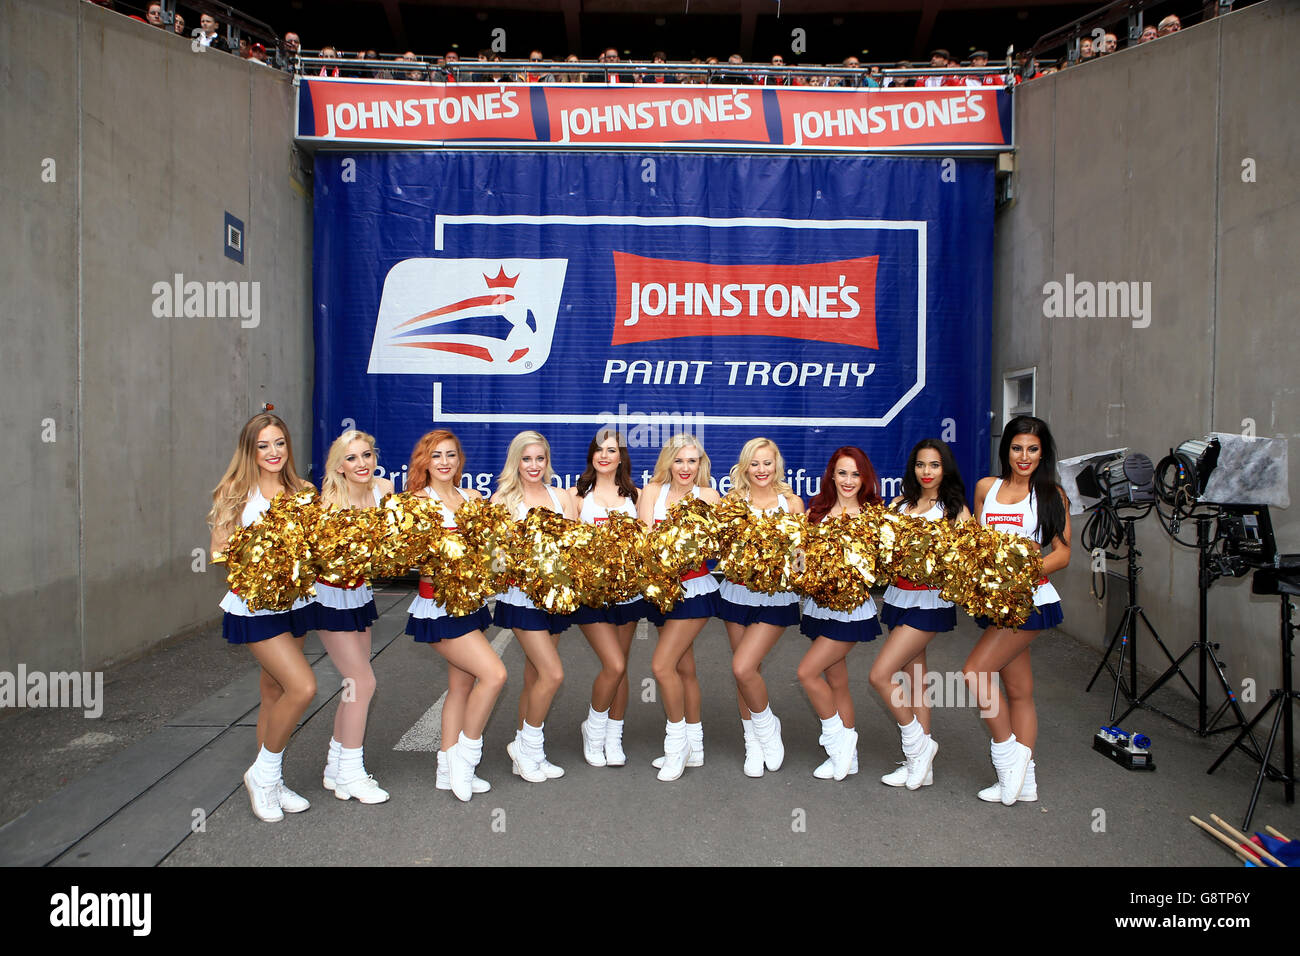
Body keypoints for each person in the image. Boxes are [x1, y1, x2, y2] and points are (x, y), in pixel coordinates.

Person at [208, 411, 316, 822]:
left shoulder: (302, 490)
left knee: (274, 692)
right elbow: (220, 552)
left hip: (296, 605)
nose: (273, 452)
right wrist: (262, 562)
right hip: (255, 607)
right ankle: (262, 774)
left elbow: (314, 549)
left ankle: (271, 780)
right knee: (303, 687)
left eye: (280, 444)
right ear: (250, 451)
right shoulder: (234, 492)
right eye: (263, 445)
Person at [963, 416, 1070, 805]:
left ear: (1043, 453)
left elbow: (1062, 553)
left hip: (1030, 600)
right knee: (1020, 690)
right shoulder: (985, 488)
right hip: (995, 603)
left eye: (1033, 449)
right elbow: (976, 542)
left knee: (974, 672)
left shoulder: (1051, 494)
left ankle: (1009, 761)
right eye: (1017, 448)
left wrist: (1018, 572)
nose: (1024, 457)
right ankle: (1026, 782)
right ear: (1005, 449)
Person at [406, 430, 508, 801]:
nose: (445, 462)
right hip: (438, 606)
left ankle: (446, 768)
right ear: (424, 461)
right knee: (495, 675)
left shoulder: (473, 499)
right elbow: (409, 560)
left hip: (472, 605)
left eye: (450, 455)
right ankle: (465, 760)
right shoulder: (416, 502)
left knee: (462, 686)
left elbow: (495, 556)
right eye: (436, 456)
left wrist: (500, 559)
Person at [867, 439, 970, 789]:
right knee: (916, 682)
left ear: (946, 469)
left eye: (935, 465)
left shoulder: (955, 509)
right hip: (899, 596)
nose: (927, 472)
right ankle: (920, 766)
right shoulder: (900, 504)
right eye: (921, 465)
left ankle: (920, 746)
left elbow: (966, 561)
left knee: (880, 675)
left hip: (930, 601)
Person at [299, 430, 392, 804]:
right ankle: (352, 773)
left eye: (366, 455)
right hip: (329, 597)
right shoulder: (326, 505)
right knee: (362, 682)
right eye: (352, 458)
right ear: (339, 465)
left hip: (361, 594)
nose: (361, 464)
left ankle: (336, 767)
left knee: (355, 684)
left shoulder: (384, 492)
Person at [492, 431, 577, 782]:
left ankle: (530, 751)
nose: (534, 465)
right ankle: (525, 748)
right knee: (552, 674)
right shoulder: (503, 499)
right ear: (516, 461)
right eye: (527, 459)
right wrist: (521, 562)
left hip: (556, 597)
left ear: (547, 461)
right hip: (521, 596)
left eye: (539, 459)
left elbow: (574, 547)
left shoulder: (561, 496)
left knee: (534, 676)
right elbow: (494, 558)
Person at [795, 448, 883, 780]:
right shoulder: (816, 511)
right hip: (818, 606)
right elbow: (800, 557)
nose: (848, 481)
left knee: (807, 672)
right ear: (832, 475)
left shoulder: (874, 515)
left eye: (856, 474)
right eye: (842, 473)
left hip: (851, 609)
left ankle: (838, 742)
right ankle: (850, 757)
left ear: (866, 478)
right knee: (837, 681)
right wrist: (800, 569)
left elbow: (877, 567)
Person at [719, 438, 804, 776]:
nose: (761, 470)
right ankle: (752, 743)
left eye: (767, 463)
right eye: (754, 464)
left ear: (777, 465)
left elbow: (800, 556)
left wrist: (790, 570)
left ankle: (768, 727)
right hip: (737, 594)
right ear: (744, 467)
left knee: (742, 667)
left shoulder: (792, 503)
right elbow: (723, 551)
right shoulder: (733, 502)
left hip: (776, 597)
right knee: (746, 673)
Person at [639, 434, 722, 781]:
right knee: (683, 668)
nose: (685, 468)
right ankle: (696, 744)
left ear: (700, 464)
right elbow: (644, 542)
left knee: (661, 666)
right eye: (679, 460)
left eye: (692, 461)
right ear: (668, 462)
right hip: (661, 593)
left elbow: (716, 547)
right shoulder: (652, 492)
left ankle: (676, 747)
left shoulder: (709, 496)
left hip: (695, 590)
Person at [569, 429, 644, 767]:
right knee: (613, 664)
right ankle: (594, 729)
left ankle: (614, 736)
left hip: (628, 594)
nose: (604, 455)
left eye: (611, 450)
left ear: (620, 457)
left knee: (621, 667)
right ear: (591, 455)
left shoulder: (636, 496)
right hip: (590, 595)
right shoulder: (576, 497)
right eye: (599, 450)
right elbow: (566, 548)